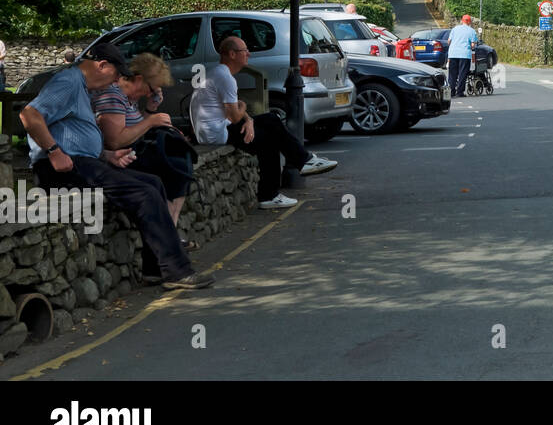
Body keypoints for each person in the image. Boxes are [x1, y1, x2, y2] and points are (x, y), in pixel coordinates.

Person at [19, 43, 213, 289]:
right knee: (143, 193)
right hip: (61, 167)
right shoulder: (68, 81)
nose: (117, 80)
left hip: (83, 162)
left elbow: (74, 132)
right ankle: (176, 271)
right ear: (102, 65)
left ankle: (154, 270)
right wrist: (54, 151)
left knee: (152, 182)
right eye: (115, 74)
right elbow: (29, 115)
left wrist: (107, 155)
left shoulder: (80, 86)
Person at [190, 37, 338, 209]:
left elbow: (236, 111)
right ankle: (273, 192)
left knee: (271, 119)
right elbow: (235, 116)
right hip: (216, 134)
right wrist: (244, 109)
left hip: (217, 129)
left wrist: (249, 119)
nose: (248, 54)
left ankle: (303, 162)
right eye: (244, 50)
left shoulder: (219, 73)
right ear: (232, 54)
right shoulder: (225, 77)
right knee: (269, 140)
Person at [92, 53, 197, 242]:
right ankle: (169, 234)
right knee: (177, 166)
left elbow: (132, 126)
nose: (150, 93)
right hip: (121, 156)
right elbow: (116, 140)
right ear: (139, 79)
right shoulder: (113, 96)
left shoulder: (128, 98)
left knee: (181, 160)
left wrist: (150, 108)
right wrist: (151, 121)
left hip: (136, 150)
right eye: (151, 89)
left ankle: (169, 232)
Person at [446, 14, 478, 98]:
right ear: (469, 22)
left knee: (452, 74)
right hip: (464, 54)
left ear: (462, 20)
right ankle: (460, 92)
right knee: (462, 73)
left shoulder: (454, 29)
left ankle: (451, 92)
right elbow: (472, 45)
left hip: (453, 54)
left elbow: (449, 42)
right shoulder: (472, 31)